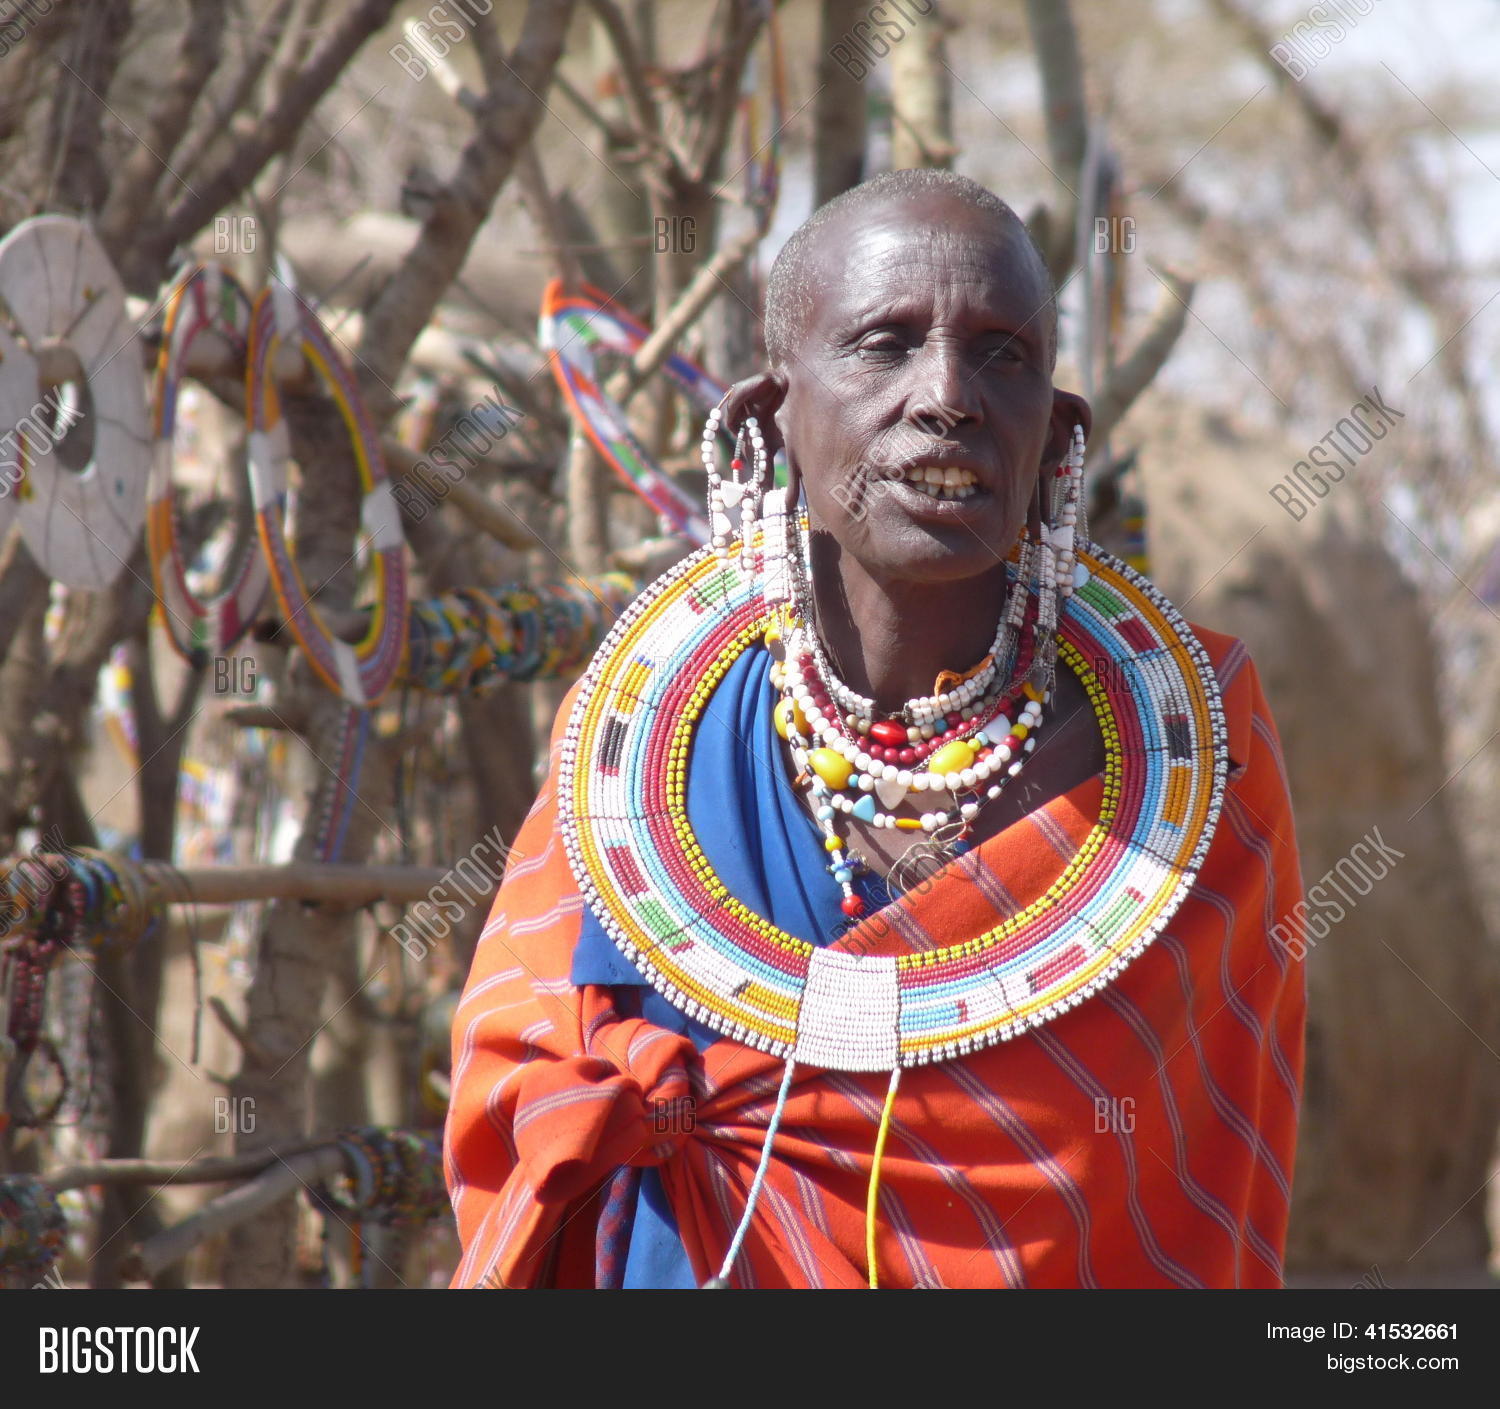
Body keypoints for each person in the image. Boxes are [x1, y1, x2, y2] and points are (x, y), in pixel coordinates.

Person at [445, 169, 1306, 1289]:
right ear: (770, 418)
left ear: (1059, 431)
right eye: (885, 343)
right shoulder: (642, 737)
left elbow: (1190, 1175)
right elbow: (521, 1069)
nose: (948, 393)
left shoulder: (1191, 742)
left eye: (1003, 353)